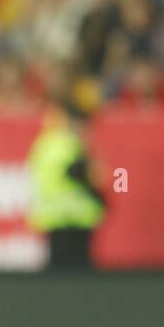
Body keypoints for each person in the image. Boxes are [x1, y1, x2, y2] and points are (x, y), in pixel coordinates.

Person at [27, 100, 105, 268]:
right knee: (77, 271)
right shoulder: (68, 143)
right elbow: (76, 172)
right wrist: (99, 195)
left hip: (54, 216)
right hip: (72, 216)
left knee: (58, 269)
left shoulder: (46, 143)